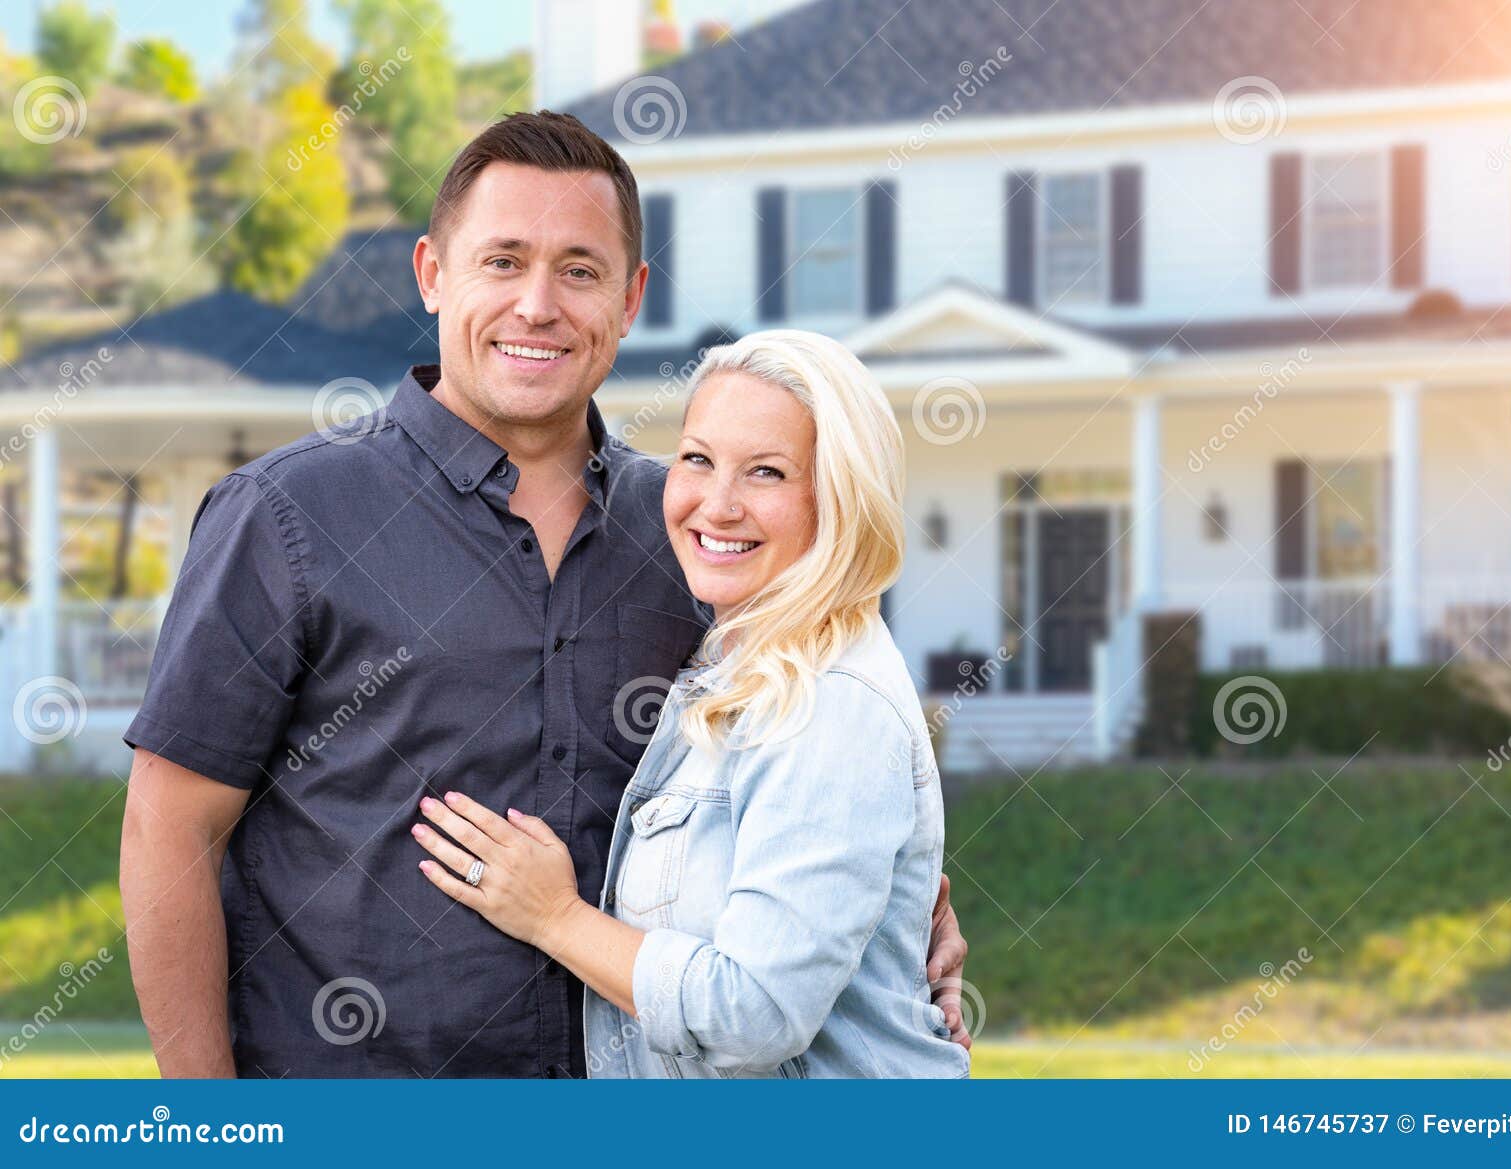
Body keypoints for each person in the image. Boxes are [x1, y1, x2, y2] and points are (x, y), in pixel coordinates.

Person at [118, 111, 969, 1078]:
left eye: (578, 268)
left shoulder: (695, 530)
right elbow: (168, 825)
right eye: (503, 261)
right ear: (433, 274)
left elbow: (802, 775)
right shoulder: (287, 515)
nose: (537, 304)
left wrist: (895, 913)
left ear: (631, 295)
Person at [410, 330, 971, 1077]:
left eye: (767, 472)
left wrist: (553, 916)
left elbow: (756, 1014)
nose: (718, 503)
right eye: (698, 459)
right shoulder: (735, 660)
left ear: (840, 494)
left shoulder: (830, 701)